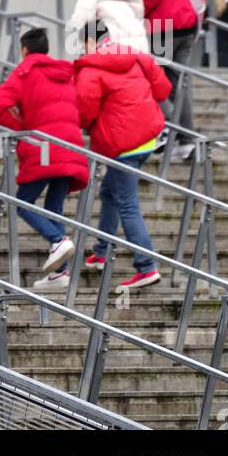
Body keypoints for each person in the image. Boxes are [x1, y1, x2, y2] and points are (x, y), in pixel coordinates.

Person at [0, 28, 88, 291]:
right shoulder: (66, 73)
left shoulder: (25, 72)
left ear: (24, 50)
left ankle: (57, 240)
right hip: (70, 145)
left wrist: (22, 128)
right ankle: (60, 273)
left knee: (23, 203)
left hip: (44, 148)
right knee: (53, 206)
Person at [74, 22, 171, 291]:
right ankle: (102, 250)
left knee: (127, 204)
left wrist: (87, 125)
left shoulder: (90, 69)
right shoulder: (135, 56)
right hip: (148, 138)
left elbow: (84, 111)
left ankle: (146, 266)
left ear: (89, 42)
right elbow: (163, 90)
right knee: (109, 193)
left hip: (122, 144)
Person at [138, 0, 205, 158]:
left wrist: (138, 13)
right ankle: (186, 140)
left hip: (164, 27)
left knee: (155, 79)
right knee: (179, 83)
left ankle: (166, 128)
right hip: (188, 27)